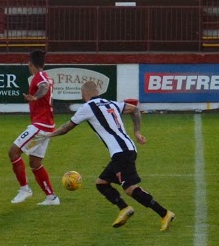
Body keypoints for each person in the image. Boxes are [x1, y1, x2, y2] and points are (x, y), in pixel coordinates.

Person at [49, 81, 175, 230]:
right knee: (101, 183)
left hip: (121, 153)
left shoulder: (87, 107)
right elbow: (135, 110)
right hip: (126, 149)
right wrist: (137, 132)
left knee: (130, 188)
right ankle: (124, 208)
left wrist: (49, 135)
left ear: (84, 94)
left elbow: (66, 128)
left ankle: (165, 213)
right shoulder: (111, 103)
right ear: (97, 92)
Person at [9, 49, 61, 206]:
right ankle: (52, 198)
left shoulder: (40, 77)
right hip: (47, 127)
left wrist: (35, 96)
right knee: (35, 163)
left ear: (30, 63)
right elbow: (45, 87)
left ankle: (25, 189)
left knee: (13, 152)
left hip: (40, 125)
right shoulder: (46, 76)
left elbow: (43, 87)